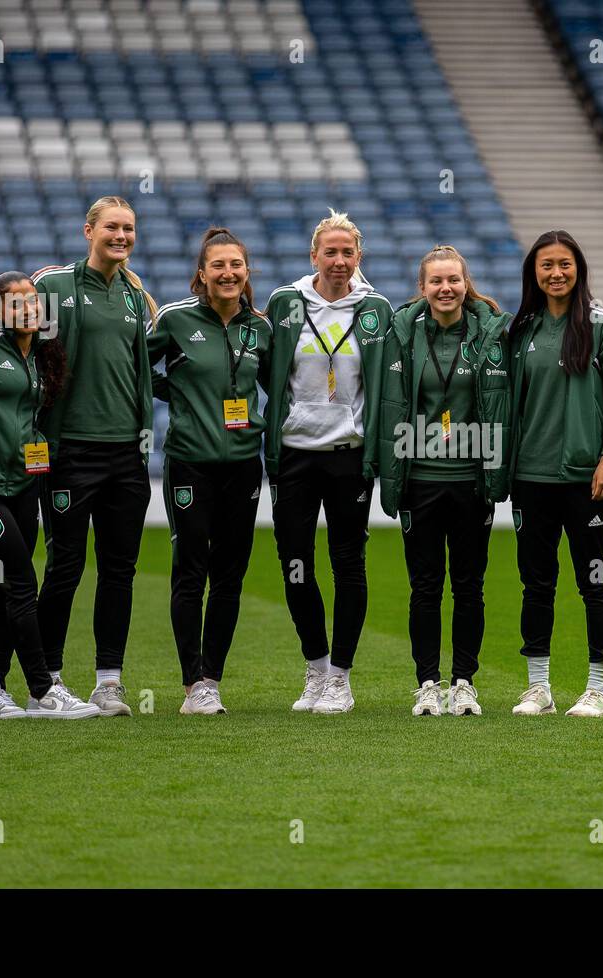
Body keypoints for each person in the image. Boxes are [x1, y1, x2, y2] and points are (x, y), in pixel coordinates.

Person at [31, 196, 159, 717]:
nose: (121, 236)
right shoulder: (53, 285)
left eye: (128, 228)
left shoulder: (135, 296)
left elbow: (143, 371)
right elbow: (2, 337)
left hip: (126, 454)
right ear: (89, 231)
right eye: (112, 227)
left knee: (119, 570)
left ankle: (109, 682)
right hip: (70, 451)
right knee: (65, 566)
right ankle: (47, 681)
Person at [0, 272, 100, 719]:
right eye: (16, 302)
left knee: (1, 588)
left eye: (33, 301)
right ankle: (42, 689)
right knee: (19, 581)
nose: (28, 309)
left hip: (22, 487)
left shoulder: (41, 356)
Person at [263, 210, 393, 714]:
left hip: (348, 458)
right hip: (295, 454)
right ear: (313, 255)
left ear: (359, 257)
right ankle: (315, 667)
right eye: (330, 252)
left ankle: (340, 677)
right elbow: (266, 367)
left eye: (347, 252)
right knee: (295, 563)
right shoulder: (285, 302)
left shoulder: (376, 308)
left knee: (348, 564)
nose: (339, 261)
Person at [377, 245, 511, 716]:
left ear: (465, 283)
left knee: (469, 588)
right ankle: (428, 684)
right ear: (423, 287)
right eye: (436, 281)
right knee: (425, 588)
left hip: (471, 481)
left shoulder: (490, 334)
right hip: (420, 479)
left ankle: (464, 682)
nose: (445, 288)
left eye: (453, 279)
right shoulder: (404, 334)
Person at [507, 230, 603, 718]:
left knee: (594, 583)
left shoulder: (601, 324)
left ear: (578, 268)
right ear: (534, 273)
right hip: (530, 479)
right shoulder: (523, 329)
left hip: (585, 480)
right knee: (536, 585)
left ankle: (598, 690)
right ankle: (538, 688)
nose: (556, 273)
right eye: (546, 265)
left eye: (564, 264)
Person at [148, 229, 272, 715]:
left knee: (230, 575)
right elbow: (136, 366)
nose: (228, 273)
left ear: (246, 272)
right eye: (218, 265)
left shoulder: (259, 328)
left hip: (243, 465)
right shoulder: (175, 319)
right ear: (202, 273)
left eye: (236, 265)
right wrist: (176, 392)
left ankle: (211, 680)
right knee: (190, 569)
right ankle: (191, 682)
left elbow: (279, 386)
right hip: (190, 462)